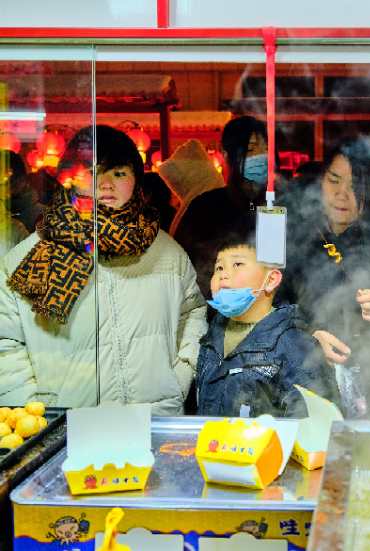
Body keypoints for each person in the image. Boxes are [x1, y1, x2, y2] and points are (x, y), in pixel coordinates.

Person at [0, 125, 207, 414]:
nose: (106, 184)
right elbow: (6, 342)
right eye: (93, 171)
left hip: (152, 421)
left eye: (119, 173)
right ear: (70, 177)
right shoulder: (27, 258)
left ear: (136, 179)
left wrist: (178, 380)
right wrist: (36, 409)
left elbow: (193, 314)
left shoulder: (167, 253)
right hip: (64, 427)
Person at [280, 134, 370, 417]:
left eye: (355, 185)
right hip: (306, 379)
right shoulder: (295, 238)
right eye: (334, 180)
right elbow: (274, 308)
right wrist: (309, 336)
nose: (341, 194)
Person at [195, 237, 338, 418]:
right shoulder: (214, 332)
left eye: (237, 264)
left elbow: (317, 424)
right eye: (219, 268)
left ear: (271, 280)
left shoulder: (295, 344)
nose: (223, 275)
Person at [173, 116, 270, 297]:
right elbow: (181, 267)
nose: (261, 157)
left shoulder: (283, 204)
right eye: (250, 150)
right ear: (226, 155)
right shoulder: (206, 208)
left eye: (266, 149)